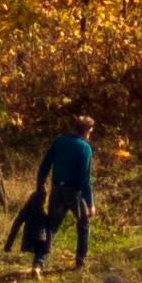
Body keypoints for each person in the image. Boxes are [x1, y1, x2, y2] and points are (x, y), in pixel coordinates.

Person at [28, 111, 97, 270]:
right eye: (90, 133)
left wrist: (40, 185)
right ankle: (81, 260)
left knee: (51, 227)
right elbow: (85, 178)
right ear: (86, 131)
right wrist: (90, 203)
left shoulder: (59, 141)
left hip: (57, 190)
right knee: (83, 224)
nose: (89, 136)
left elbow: (45, 164)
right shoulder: (85, 148)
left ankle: (38, 263)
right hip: (75, 194)